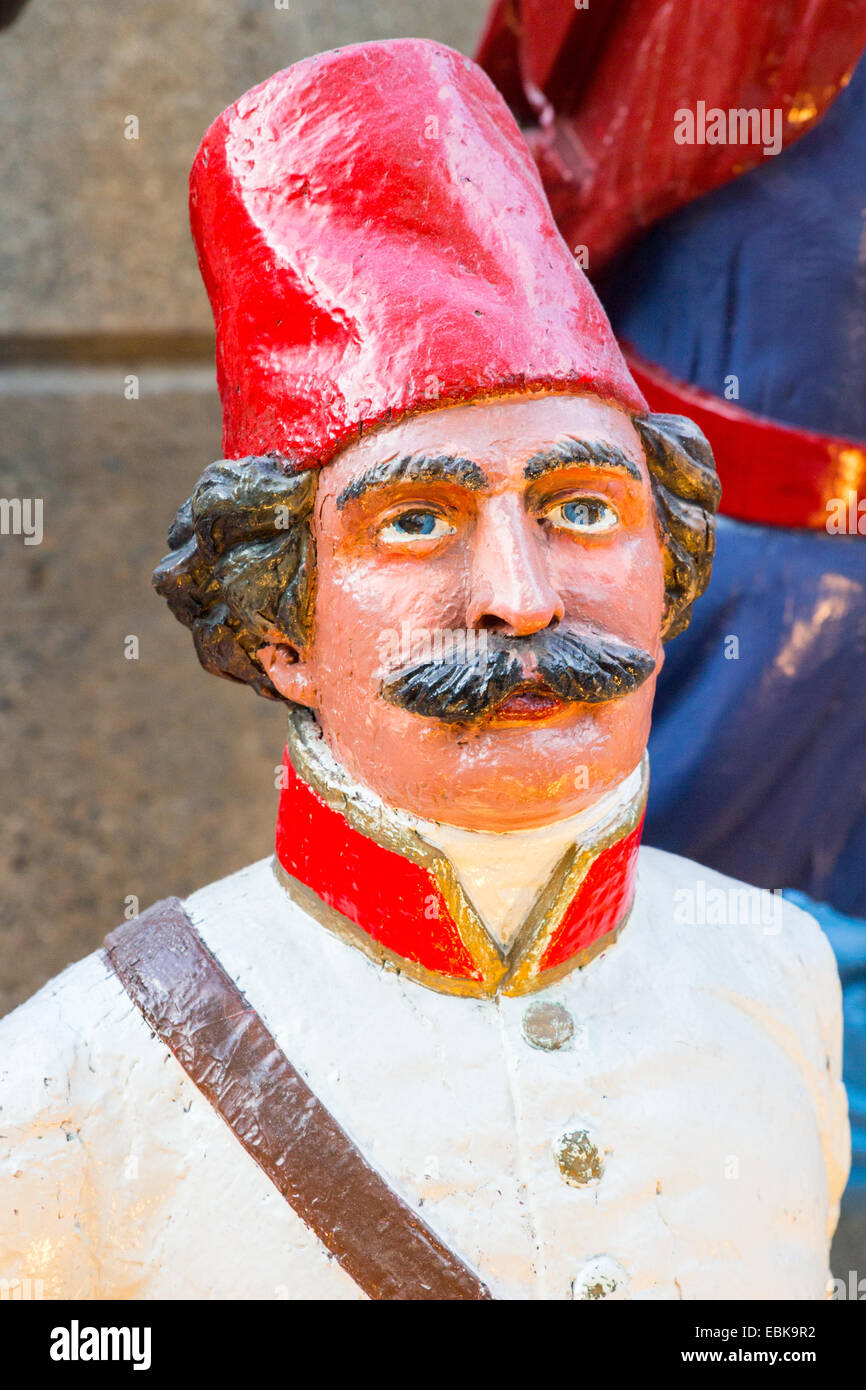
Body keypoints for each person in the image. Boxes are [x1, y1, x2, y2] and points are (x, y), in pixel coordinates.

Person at [0, 38, 849, 1301]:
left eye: (577, 507)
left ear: (669, 569)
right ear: (277, 627)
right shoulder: (71, 1087)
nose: (518, 597)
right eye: (413, 521)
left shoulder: (777, 982)